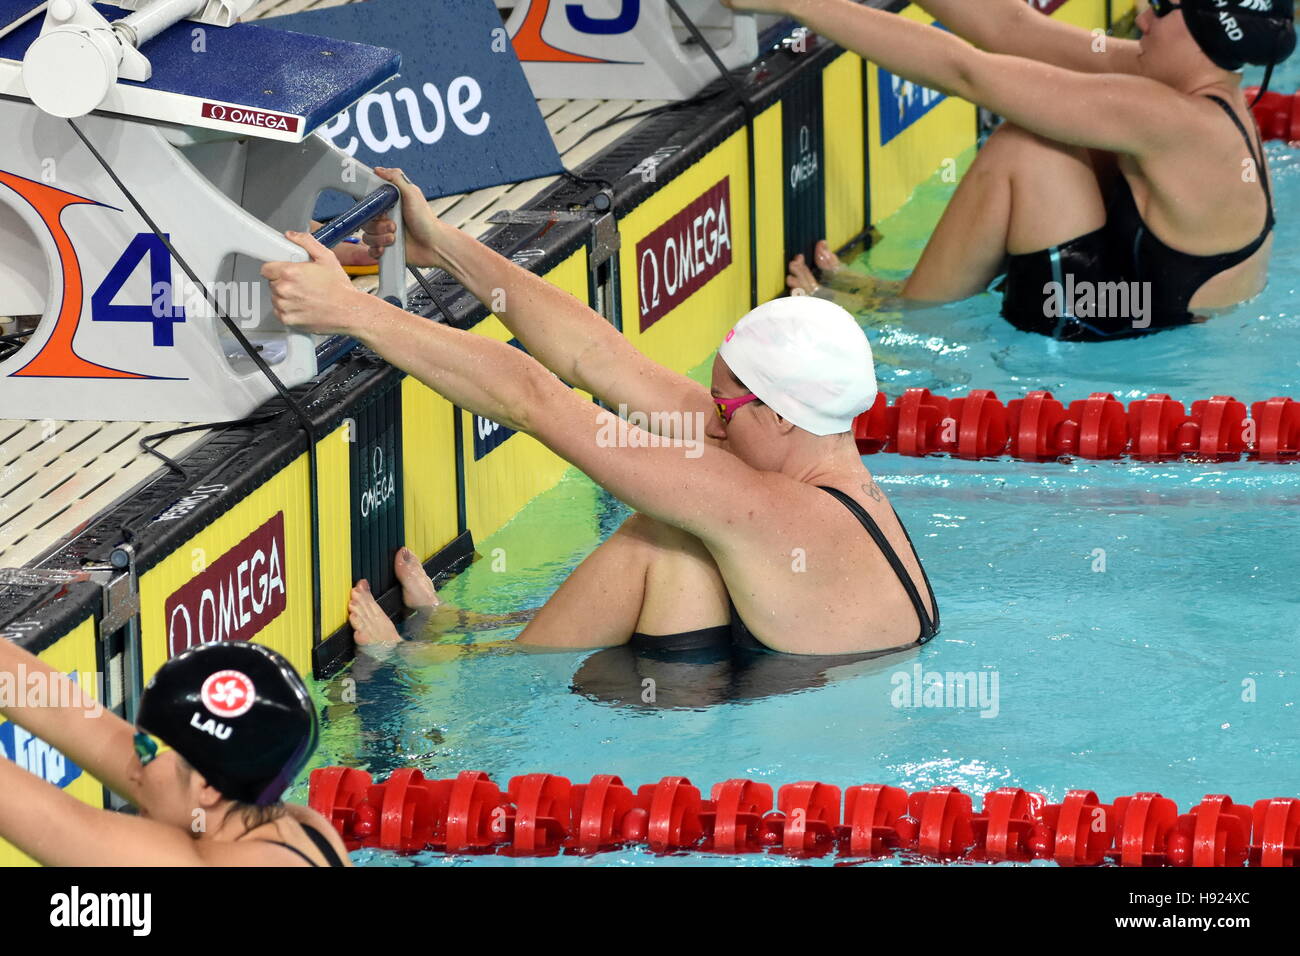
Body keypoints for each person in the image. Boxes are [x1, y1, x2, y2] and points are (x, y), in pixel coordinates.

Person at [262, 168, 938, 657]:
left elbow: (535, 400)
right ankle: (481, 633)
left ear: (783, 415)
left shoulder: (767, 507)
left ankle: (446, 662)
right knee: (678, 540)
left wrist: (347, 310)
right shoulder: (804, 460)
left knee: (661, 532)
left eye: (726, 407)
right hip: (728, 695)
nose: (713, 418)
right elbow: (599, 359)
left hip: (747, 794)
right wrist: (440, 247)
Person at [751, 0, 1296, 341]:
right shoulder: (1195, 93)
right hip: (1139, 311)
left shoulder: (1173, 121)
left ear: (1206, 30)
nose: (1142, 14)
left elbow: (969, 73)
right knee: (1052, 139)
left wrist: (800, 4)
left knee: (1026, 145)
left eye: (1160, 5)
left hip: (1110, 329)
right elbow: (1014, 28)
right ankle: (906, 298)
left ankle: (906, 322)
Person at [0, 638, 349, 866]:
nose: (133, 769)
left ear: (208, 788)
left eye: (147, 749)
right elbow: (68, 716)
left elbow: (52, 821)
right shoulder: (307, 832)